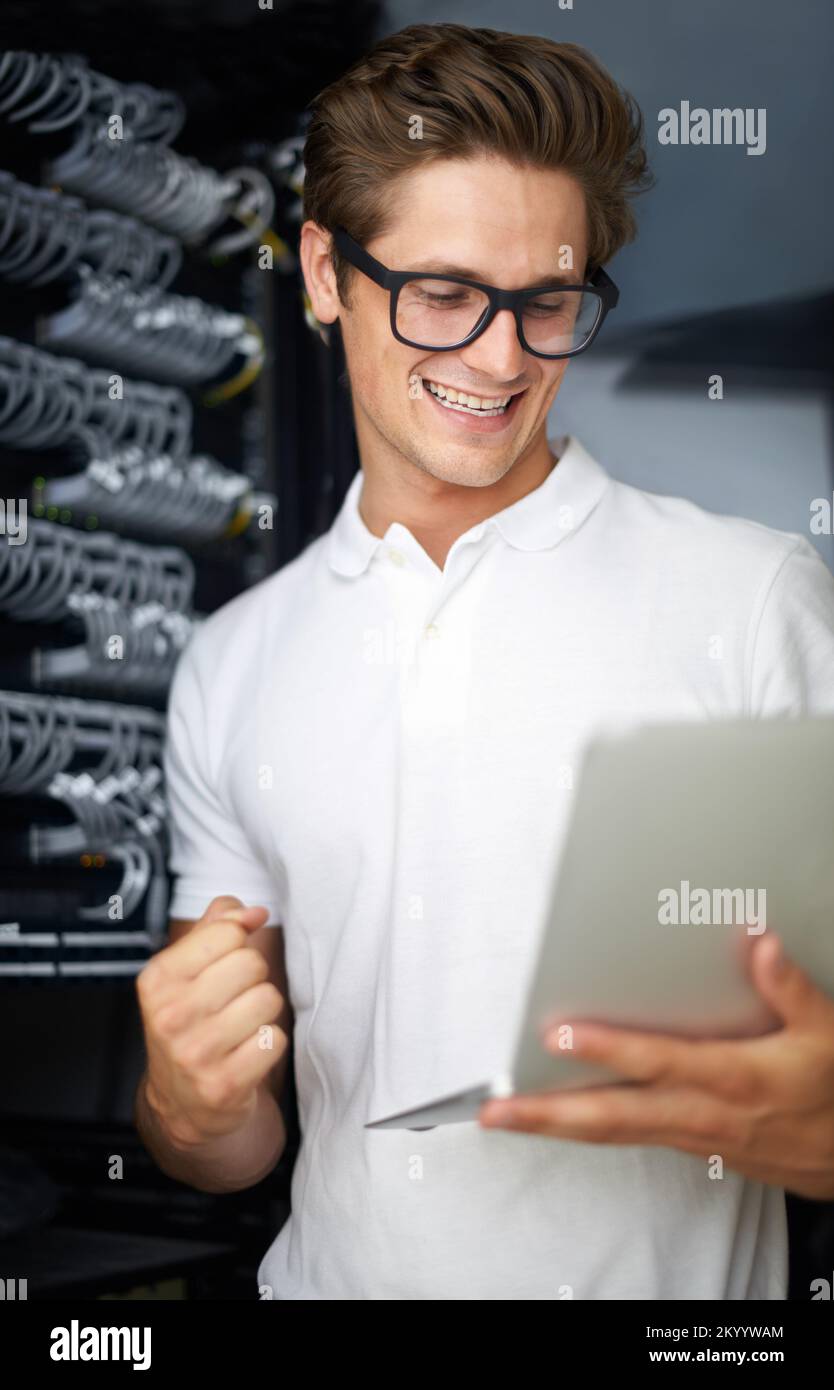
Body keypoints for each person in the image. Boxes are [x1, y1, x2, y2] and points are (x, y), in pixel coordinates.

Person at [134, 23, 834, 1300]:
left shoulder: (756, 603)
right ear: (324, 275)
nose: (502, 358)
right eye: (445, 294)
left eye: (548, 301)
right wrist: (187, 1108)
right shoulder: (231, 666)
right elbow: (232, 1148)